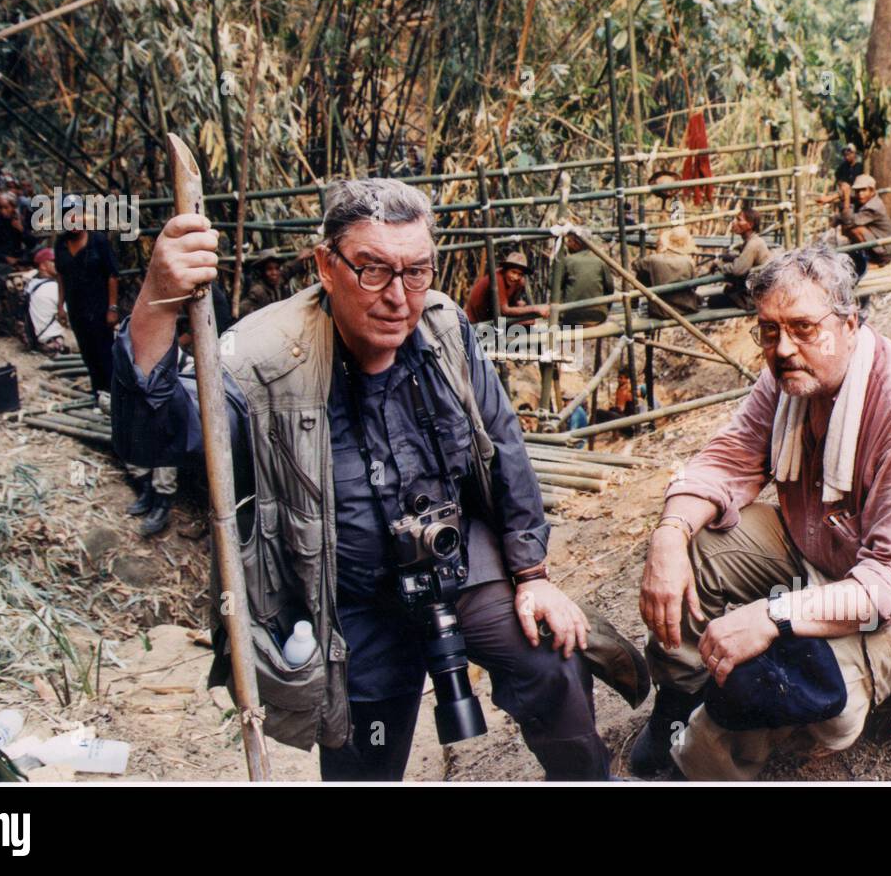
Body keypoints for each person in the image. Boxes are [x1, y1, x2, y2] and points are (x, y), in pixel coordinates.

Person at [112, 178, 646, 781]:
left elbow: (504, 446)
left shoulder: (444, 328)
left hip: (453, 555)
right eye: (373, 271)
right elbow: (149, 436)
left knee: (550, 653)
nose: (398, 296)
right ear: (326, 265)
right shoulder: (261, 357)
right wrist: (157, 298)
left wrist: (532, 574)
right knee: (365, 753)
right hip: (346, 591)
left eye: (416, 272)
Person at [631, 246, 891, 780]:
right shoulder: (789, 380)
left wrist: (774, 615)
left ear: (851, 323)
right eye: (768, 330)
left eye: (804, 327)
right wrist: (667, 535)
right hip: (825, 544)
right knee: (694, 550)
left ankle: (723, 752)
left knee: (793, 677)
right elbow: (728, 459)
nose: (783, 348)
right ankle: (680, 699)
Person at [55, 203, 121, 396]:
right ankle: (98, 393)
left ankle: (113, 395)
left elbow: (112, 275)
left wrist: (113, 307)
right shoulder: (60, 243)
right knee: (87, 352)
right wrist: (60, 305)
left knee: (105, 351)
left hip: (99, 307)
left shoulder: (98, 240)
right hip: (76, 308)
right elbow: (60, 275)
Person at [708, 205, 771, 311]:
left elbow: (738, 270)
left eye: (739, 220)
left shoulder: (753, 244)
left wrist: (720, 266)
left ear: (750, 225)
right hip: (756, 292)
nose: (734, 222)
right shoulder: (752, 241)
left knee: (712, 301)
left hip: (754, 298)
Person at [463, 250, 548, 324]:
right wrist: (535, 308)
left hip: (495, 316)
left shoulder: (519, 282)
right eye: (513, 272)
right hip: (479, 321)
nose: (515, 277)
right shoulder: (497, 278)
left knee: (530, 320)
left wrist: (517, 303)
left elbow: (508, 303)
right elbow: (504, 310)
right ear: (505, 270)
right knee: (529, 322)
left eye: (520, 274)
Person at [835, 174, 891, 278]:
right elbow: (849, 195)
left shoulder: (873, 207)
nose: (860, 194)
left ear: (872, 191)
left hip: (885, 252)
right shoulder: (867, 199)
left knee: (855, 229)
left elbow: (848, 221)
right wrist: (829, 198)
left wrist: (847, 197)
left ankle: (877, 261)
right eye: (858, 191)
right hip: (879, 244)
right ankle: (867, 257)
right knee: (848, 229)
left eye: (863, 190)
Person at [635, 226, 699, 320]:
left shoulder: (653, 259)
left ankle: (633, 301)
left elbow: (636, 266)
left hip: (661, 310)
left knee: (643, 271)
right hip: (686, 307)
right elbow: (694, 286)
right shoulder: (689, 261)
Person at [557, 229, 615, 327]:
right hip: (598, 316)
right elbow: (610, 288)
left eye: (569, 241)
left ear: (577, 244)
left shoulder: (567, 261)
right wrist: (605, 309)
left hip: (572, 317)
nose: (567, 244)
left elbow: (552, 285)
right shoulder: (600, 260)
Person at [238, 247, 316, 317]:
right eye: (269, 269)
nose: (274, 273)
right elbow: (243, 309)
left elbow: (289, 269)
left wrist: (300, 259)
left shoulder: (279, 280)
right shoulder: (257, 291)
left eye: (277, 268)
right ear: (262, 272)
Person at [23, 248, 67, 354]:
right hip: (53, 341)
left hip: (36, 340)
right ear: (43, 266)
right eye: (53, 262)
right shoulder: (52, 288)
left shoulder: (32, 284)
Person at [0, 190, 37, 270]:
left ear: (13, 208)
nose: (3, 211)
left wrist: (21, 230)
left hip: (17, 259)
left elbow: (32, 244)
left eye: (6, 207)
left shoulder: (17, 222)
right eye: (0, 208)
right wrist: (5, 258)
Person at [815, 144, 863, 210]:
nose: (846, 157)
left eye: (848, 154)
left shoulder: (859, 167)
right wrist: (841, 183)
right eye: (845, 155)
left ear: (854, 154)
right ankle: (827, 199)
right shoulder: (844, 166)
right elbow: (837, 176)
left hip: (854, 192)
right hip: (843, 193)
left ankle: (828, 198)